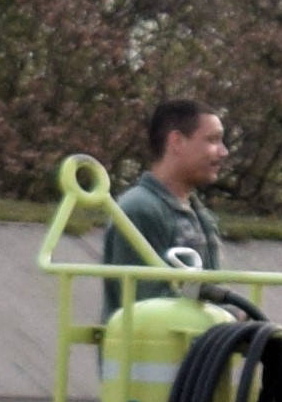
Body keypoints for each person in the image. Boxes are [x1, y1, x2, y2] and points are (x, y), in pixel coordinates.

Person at [95, 101, 233, 289]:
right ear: (177, 141)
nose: (223, 152)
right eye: (212, 140)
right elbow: (145, 304)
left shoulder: (201, 216)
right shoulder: (139, 209)